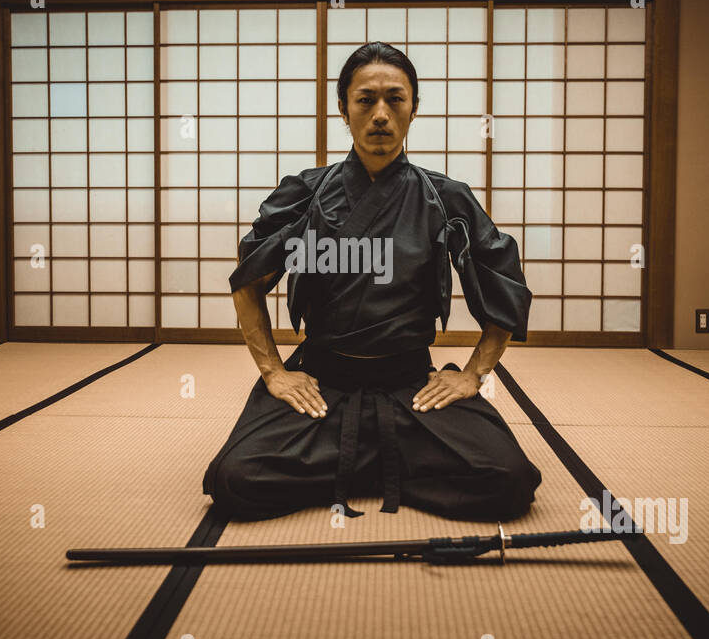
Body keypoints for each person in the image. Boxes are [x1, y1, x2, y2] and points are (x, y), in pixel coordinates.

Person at [201, 42, 542, 521]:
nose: (380, 114)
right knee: (234, 480)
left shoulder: (445, 198)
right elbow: (248, 280)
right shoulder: (306, 192)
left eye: (395, 99)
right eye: (365, 100)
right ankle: (388, 458)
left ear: (413, 109)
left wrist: (471, 375)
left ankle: (351, 457)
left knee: (509, 481)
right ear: (343, 109)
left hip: (411, 385)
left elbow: (504, 281)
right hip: (321, 382)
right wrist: (275, 373)